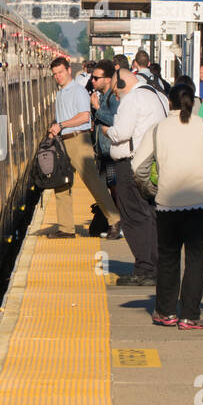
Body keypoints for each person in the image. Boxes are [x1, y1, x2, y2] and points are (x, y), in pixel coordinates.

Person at [132, 81, 203, 330]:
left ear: (170, 102)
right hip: (200, 205)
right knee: (196, 258)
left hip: (167, 205)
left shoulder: (158, 129)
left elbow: (137, 167)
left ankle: (166, 312)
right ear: (194, 101)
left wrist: (150, 189)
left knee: (168, 259)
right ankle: (190, 315)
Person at [97, 67, 169, 283]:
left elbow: (122, 132)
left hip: (130, 164)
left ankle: (144, 269)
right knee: (150, 214)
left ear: (120, 84)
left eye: (116, 93)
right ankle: (155, 265)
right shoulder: (158, 96)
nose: (117, 96)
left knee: (133, 217)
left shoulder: (132, 98)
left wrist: (107, 131)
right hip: (152, 163)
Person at [47, 56, 122, 238]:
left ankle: (114, 220)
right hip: (63, 141)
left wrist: (62, 125)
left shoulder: (78, 92)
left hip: (78, 140)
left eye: (61, 72)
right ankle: (66, 228)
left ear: (69, 71)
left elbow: (84, 117)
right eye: (55, 74)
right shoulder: (61, 93)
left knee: (93, 182)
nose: (58, 76)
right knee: (61, 184)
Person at [90, 59, 123, 238]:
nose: (93, 81)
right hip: (104, 151)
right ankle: (112, 223)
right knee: (107, 187)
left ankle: (116, 225)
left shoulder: (114, 97)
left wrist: (97, 109)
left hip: (111, 151)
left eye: (96, 78)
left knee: (114, 187)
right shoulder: (105, 96)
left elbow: (116, 121)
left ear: (108, 79)